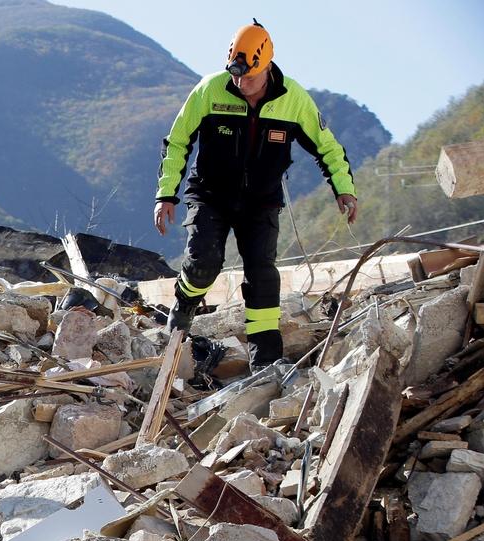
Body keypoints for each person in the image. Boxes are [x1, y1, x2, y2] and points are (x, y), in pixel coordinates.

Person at [153, 19, 357, 368]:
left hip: (261, 202)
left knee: (262, 275)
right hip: (210, 195)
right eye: (235, 75)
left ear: (266, 66)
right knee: (203, 265)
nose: (240, 82)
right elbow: (178, 142)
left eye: (248, 77)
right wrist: (165, 195)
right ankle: (184, 304)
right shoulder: (209, 90)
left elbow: (327, 147)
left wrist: (344, 189)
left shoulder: (293, 99)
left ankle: (265, 363)